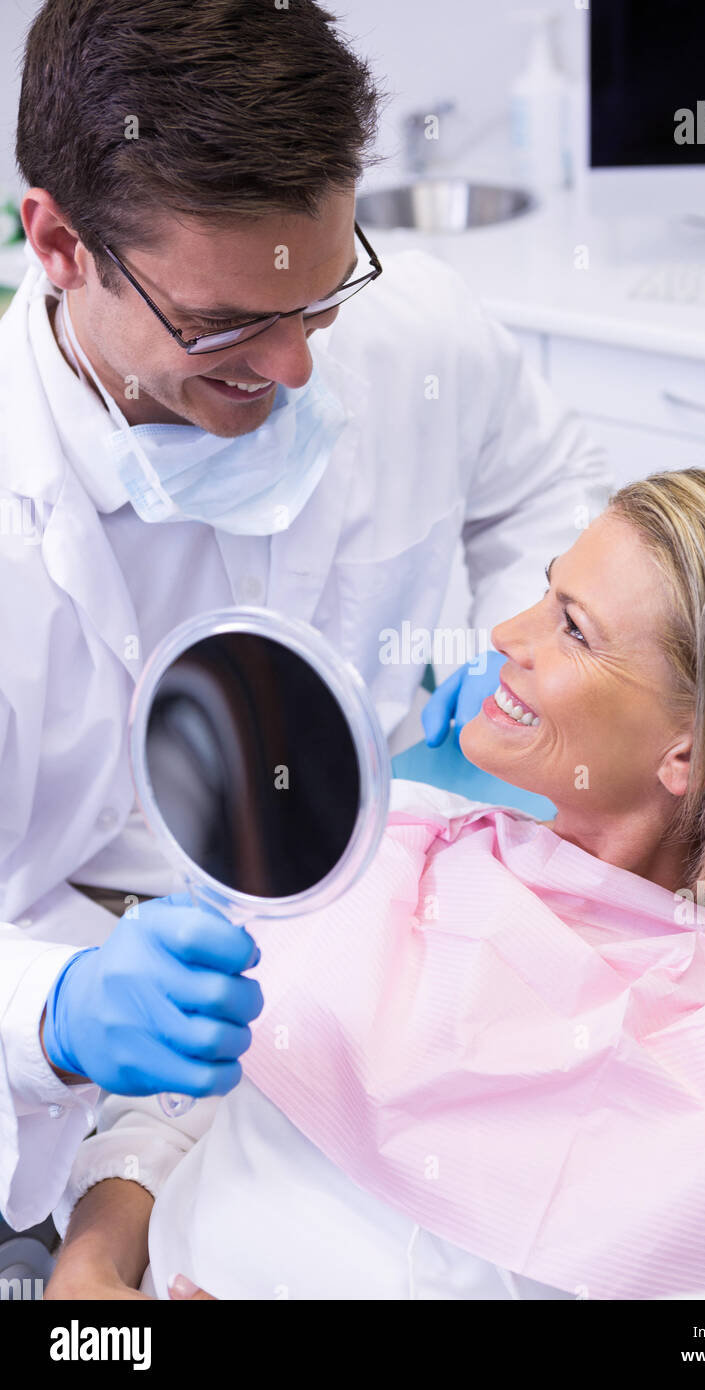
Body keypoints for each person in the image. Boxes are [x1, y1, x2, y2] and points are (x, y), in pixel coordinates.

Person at [0, 0, 611, 1230]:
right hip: (76, 963)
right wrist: (54, 1011)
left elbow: (537, 488)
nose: (294, 369)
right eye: (223, 324)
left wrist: (533, 652)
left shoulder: (413, 332)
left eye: (323, 298)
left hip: (375, 914)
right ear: (58, 243)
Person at [45, 471, 705, 1301]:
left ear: (693, 752)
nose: (507, 633)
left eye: (574, 631)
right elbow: (175, 1109)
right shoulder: (376, 842)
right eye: (546, 594)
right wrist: (88, 1272)